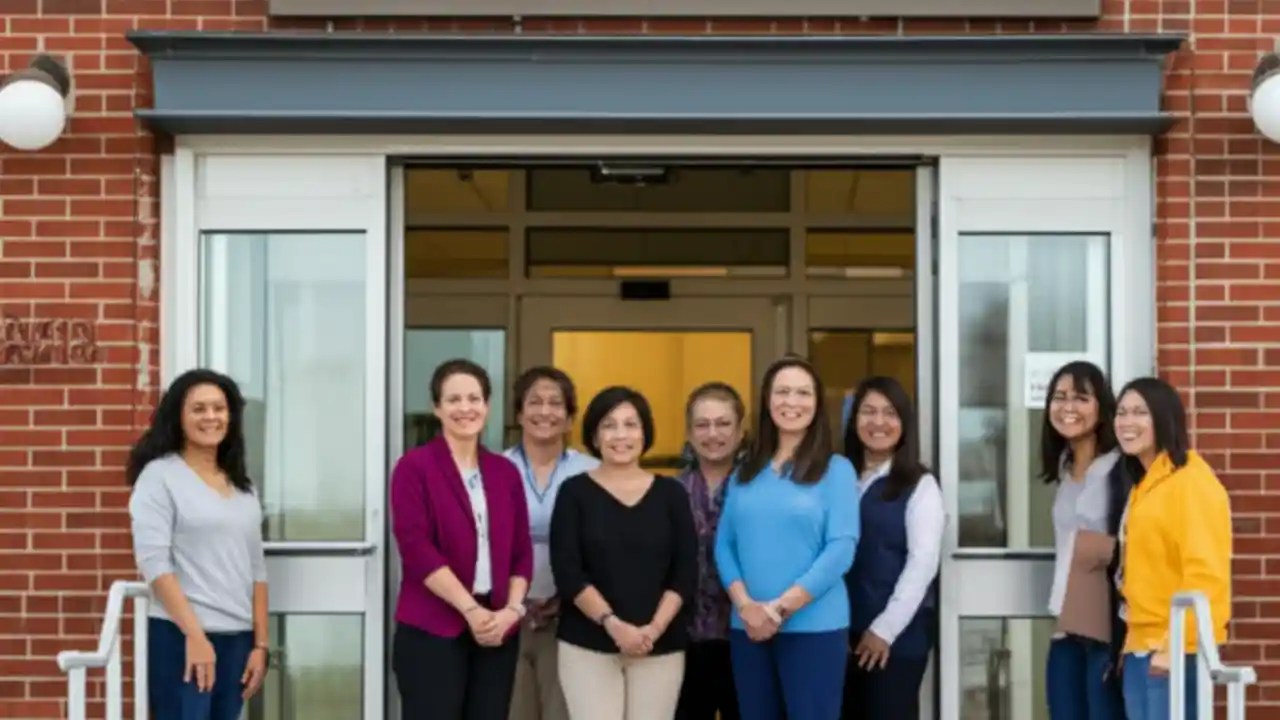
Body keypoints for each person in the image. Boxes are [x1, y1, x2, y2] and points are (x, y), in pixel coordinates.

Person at [715, 356, 860, 720]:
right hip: (748, 627)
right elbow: (724, 544)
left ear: (816, 403)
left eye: (802, 393)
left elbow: (841, 549)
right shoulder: (745, 470)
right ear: (767, 400)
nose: (791, 402)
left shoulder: (836, 470)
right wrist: (747, 606)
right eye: (782, 392)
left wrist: (779, 609)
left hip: (815, 628)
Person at [389, 359, 533, 720]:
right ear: (437, 408)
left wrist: (511, 612)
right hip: (433, 629)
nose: (465, 408)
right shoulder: (414, 468)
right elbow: (417, 550)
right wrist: (470, 610)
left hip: (497, 629)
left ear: (487, 405)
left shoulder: (505, 472)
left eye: (474, 398)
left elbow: (521, 551)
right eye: (453, 400)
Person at [126, 368, 269, 720]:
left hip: (237, 640)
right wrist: (195, 636)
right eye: (199, 409)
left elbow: (257, 570)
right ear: (179, 416)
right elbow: (155, 564)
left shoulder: (242, 486)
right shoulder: (159, 476)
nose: (211, 417)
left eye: (219, 409)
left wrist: (261, 645)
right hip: (182, 638)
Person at [550, 386, 698, 720]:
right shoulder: (574, 493)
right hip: (587, 643)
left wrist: (653, 630)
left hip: (659, 644)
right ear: (594, 435)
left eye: (631, 425)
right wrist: (614, 625)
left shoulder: (671, 494)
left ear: (645, 432)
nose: (621, 435)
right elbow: (568, 571)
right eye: (609, 425)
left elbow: (685, 571)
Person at [1114, 376, 1231, 720]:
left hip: (1177, 652)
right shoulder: (1146, 485)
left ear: (1164, 419)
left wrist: (1173, 646)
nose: (1127, 422)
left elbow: (1206, 574)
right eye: (1121, 412)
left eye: (1140, 413)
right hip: (1142, 648)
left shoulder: (1191, 482)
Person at [840, 376, 943, 720]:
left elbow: (923, 563)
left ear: (904, 423)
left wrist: (883, 630)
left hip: (896, 639)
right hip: (842, 634)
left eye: (889, 413)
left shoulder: (920, 484)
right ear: (853, 421)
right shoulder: (840, 477)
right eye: (868, 412)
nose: (878, 422)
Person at [504, 367, 599, 720]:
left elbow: (602, 550)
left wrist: (565, 599)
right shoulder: (497, 468)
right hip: (506, 617)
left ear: (570, 417)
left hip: (571, 617)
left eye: (555, 403)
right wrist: (514, 602)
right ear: (518, 413)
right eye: (535, 402)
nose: (545, 411)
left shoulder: (591, 472)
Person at [1038, 361, 1127, 720]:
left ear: (1101, 408)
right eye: (1059, 398)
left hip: (1107, 626)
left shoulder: (1119, 468)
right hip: (1067, 623)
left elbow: (1135, 545)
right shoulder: (1064, 467)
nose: (1067, 407)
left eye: (1080, 398)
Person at [675, 382, 747, 720]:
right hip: (685, 641)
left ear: (740, 431)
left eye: (723, 424)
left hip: (747, 638)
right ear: (689, 433)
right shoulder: (670, 493)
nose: (713, 434)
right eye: (702, 425)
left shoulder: (758, 490)